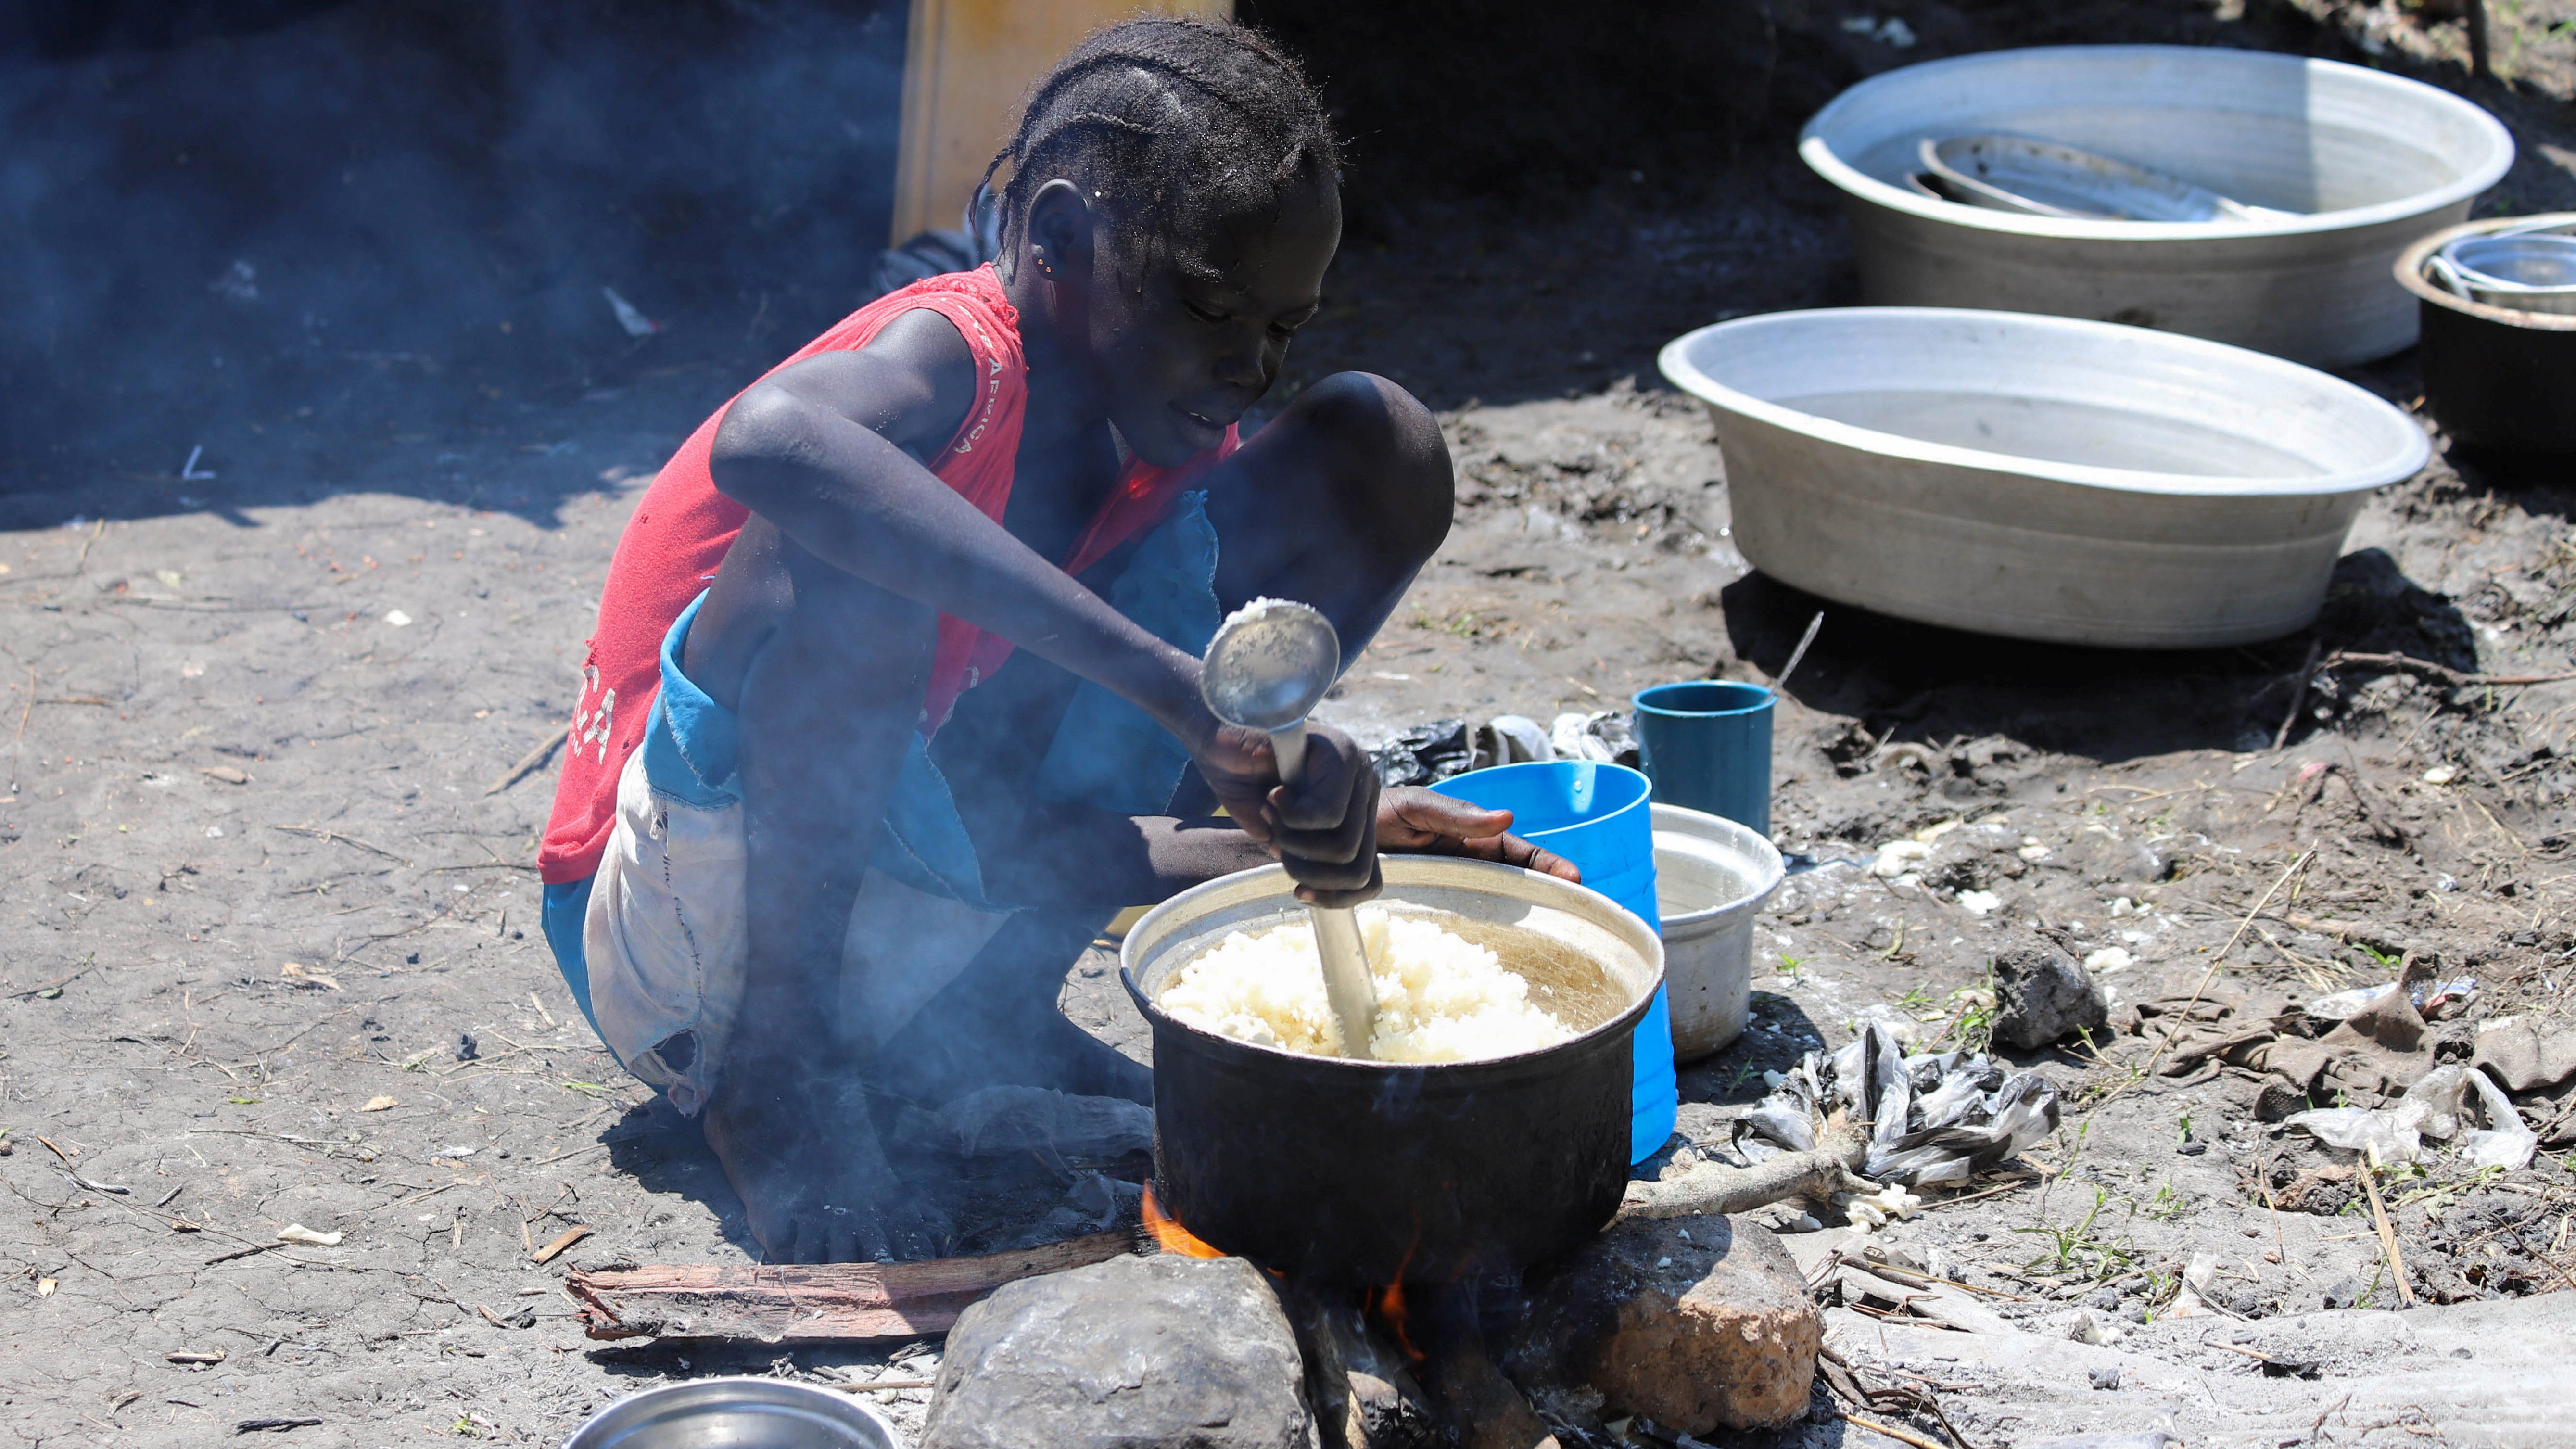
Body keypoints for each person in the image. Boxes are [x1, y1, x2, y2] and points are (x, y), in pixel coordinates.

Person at [534, 16, 1574, 1264]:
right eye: (1210, 306)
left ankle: (988, 1009)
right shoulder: (948, 361)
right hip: (675, 928)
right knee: (855, 543)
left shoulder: (1149, 443)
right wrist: (1180, 693)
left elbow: (1004, 818)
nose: (1249, 366)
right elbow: (768, 442)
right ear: (1062, 241)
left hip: (882, 878)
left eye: (1282, 329)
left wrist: (1318, 831)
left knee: (1375, 449)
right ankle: (783, 1079)